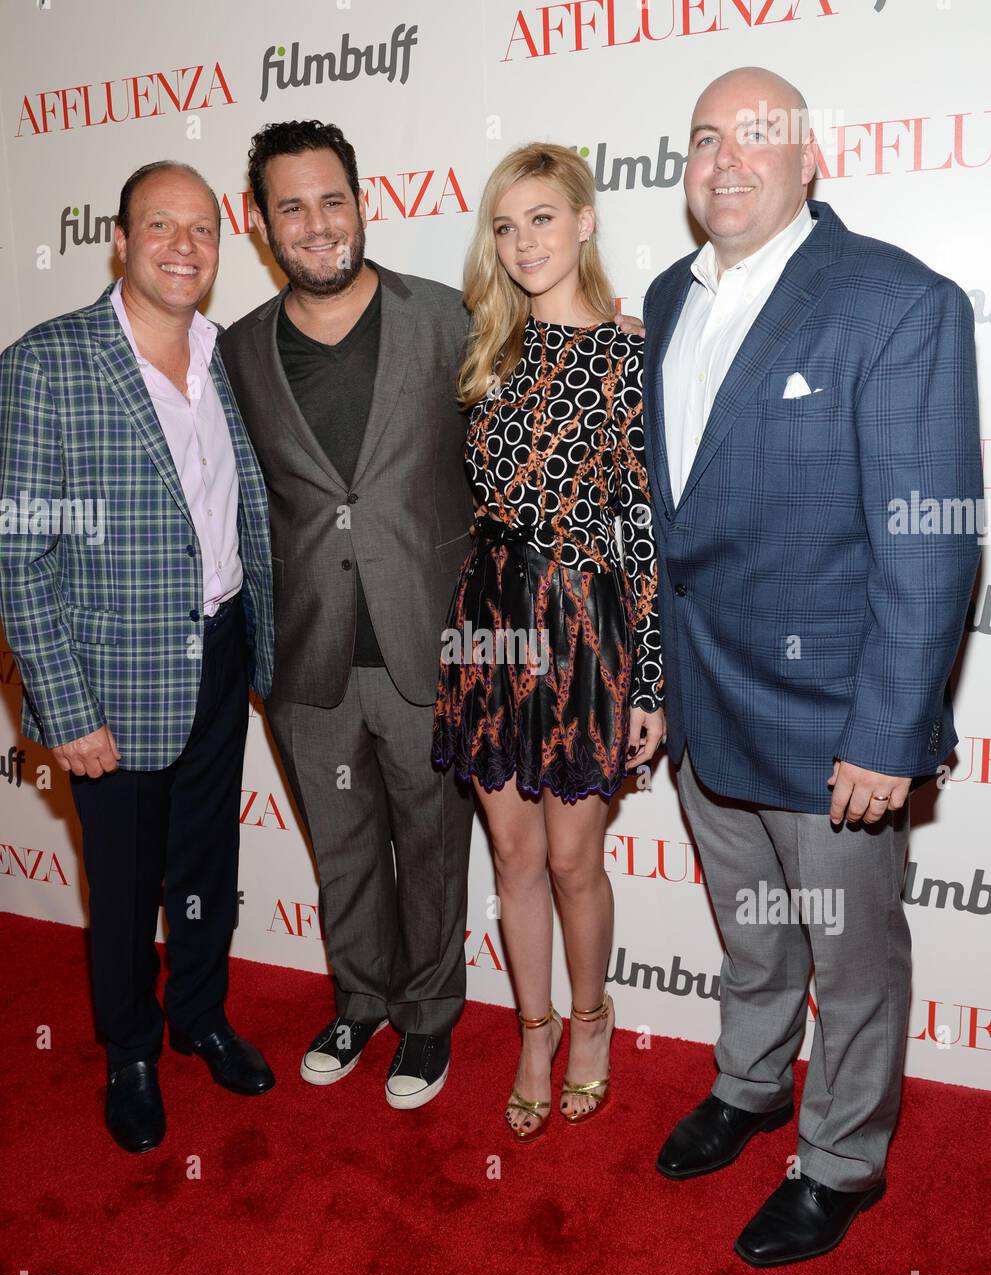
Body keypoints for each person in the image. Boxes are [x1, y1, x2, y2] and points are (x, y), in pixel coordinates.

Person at [644, 68, 981, 1264]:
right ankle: (748, 1084)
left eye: (756, 137)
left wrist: (890, 734)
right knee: (750, 929)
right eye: (701, 141)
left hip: (835, 724)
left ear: (808, 160)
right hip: (704, 706)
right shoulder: (664, 301)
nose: (724, 161)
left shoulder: (896, 302)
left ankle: (841, 1158)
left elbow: (930, 539)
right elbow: (672, 529)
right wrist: (654, 687)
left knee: (851, 950)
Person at [0, 162, 277, 1154]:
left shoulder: (228, 357)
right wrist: (63, 707)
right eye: (159, 225)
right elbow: (19, 551)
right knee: (121, 878)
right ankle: (130, 1048)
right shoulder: (47, 362)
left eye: (200, 229)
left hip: (222, 642)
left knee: (207, 856)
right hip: (111, 672)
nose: (182, 245)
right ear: (118, 240)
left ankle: (198, 1013)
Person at [219, 121, 477, 1109]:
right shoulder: (237, 352)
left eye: (333, 199)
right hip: (305, 651)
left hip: (429, 642)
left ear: (362, 200)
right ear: (261, 224)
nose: (318, 223)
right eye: (293, 206)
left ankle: (426, 1019)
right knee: (343, 848)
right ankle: (359, 999)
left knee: (433, 847)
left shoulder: (446, 319)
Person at [432, 144, 666, 1143]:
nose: (522, 240)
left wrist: (649, 678)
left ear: (583, 221)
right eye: (503, 223)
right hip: (487, 622)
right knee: (512, 855)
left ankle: (592, 1019)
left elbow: (646, 524)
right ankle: (533, 1035)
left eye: (540, 217)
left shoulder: (629, 355)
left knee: (575, 861)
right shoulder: (483, 349)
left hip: (583, 627)